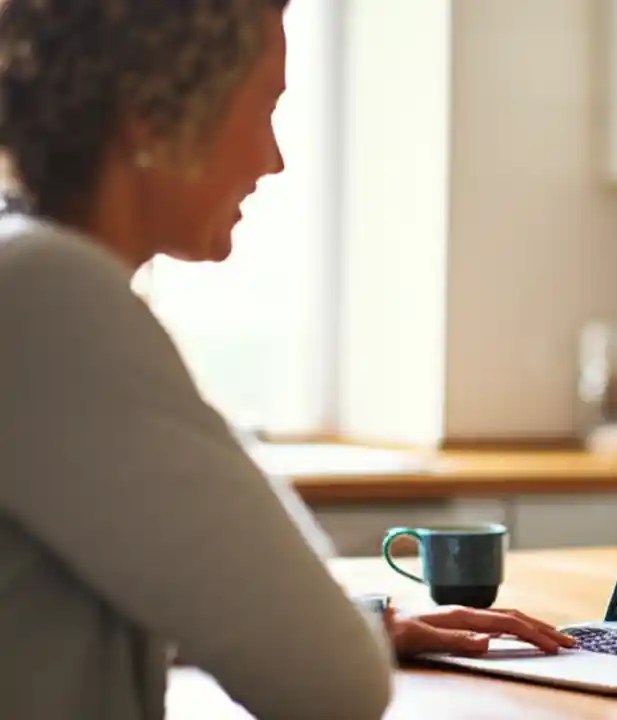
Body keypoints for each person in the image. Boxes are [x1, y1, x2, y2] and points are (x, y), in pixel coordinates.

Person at [0, 3, 571, 718]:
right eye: (265, 106)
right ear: (151, 109)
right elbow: (336, 686)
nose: (273, 159)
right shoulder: (47, 296)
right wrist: (343, 636)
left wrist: (366, 625)